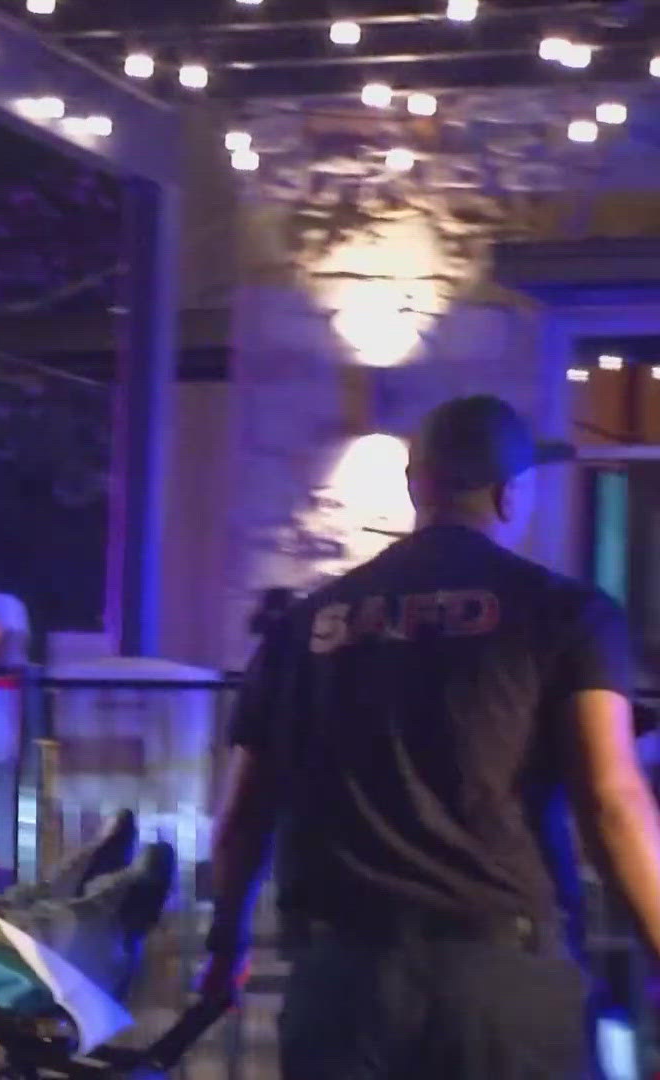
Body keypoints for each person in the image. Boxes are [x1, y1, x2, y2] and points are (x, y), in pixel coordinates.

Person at [201, 395, 660, 1079]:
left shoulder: (300, 627)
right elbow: (611, 800)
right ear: (509, 495)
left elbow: (244, 815)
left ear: (418, 487)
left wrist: (225, 944)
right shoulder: (565, 614)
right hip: (500, 985)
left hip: (339, 988)